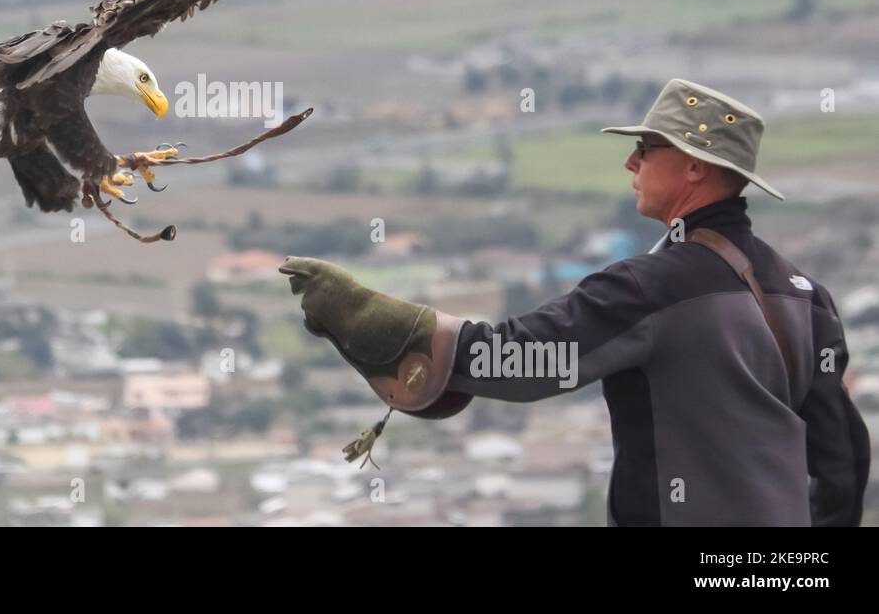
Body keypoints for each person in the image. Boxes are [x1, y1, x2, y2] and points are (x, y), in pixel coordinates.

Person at [281, 79, 870, 525]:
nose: (630, 162)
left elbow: (522, 362)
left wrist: (369, 319)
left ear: (694, 166)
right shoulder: (805, 296)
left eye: (646, 148)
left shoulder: (652, 287)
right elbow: (842, 463)